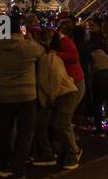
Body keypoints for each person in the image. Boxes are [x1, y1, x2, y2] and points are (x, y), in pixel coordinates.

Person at [0, 15, 45, 179]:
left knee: (4, 132)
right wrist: (29, 38)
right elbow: (41, 51)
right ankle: (19, 172)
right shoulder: (27, 46)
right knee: (25, 134)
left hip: (5, 95)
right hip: (26, 96)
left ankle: (4, 166)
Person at [35, 32, 81, 169]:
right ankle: (53, 154)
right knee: (44, 124)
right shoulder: (45, 59)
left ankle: (72, 156)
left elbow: (56, 77)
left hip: (65, 94)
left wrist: (51, 97)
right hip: (58, 94)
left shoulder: (51, 58)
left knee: (61, 124)